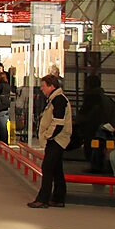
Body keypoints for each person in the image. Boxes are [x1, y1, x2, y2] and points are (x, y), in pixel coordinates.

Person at [29, 74, 73, 208]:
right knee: (56, 169)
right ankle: (59, 198)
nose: (41, 89)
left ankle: (43, 199)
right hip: (57, 139)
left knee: (47, 167)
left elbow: (58, 123)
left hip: (57, 140)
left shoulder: (58, 100)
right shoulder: (55, 99)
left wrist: (48, 136)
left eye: (43, 86)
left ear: (51, 86)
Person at [0, 69, 13, 144]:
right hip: (6, 107)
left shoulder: (0, 86)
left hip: (0, 108)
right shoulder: (8, 86)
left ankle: (3, 143)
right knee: (4, 127)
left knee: (2, 128)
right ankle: (4, 142)